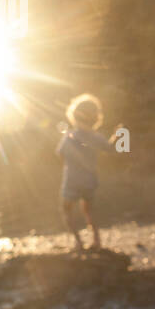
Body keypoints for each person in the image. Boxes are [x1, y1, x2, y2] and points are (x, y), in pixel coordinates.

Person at [56, 93, 122, 253]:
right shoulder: (96, 137)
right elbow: (112, 149)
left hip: (71, 180)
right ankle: (97, 241)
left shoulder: (70, 135)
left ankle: (78, 243)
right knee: (89, 211)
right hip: (89, 180)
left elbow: (60, 153)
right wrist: (118, 135)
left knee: (67, 210)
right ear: (95, 117)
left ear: (74, 115)